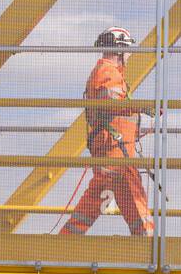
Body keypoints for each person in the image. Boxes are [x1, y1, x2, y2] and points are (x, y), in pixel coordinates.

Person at [61, 26, 155, 237]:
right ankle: (150, 249)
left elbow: (114, 112)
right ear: (120, 49)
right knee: (120, 199)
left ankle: (66, 241)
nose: (130, 55)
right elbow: (111, 104)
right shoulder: (107, 72)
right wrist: (142, 106)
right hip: (115, 153)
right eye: (128, 50)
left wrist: (136, 124)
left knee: (107, 200)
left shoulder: (111, 74)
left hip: (117, 150)